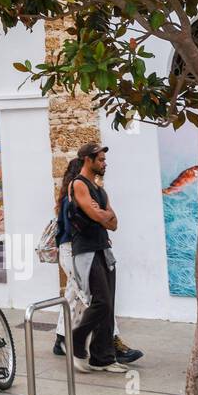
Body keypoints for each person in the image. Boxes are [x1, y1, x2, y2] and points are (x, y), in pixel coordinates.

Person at [52, 154, 142, 364]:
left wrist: (103, 216)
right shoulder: (73, 197)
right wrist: (101, 216)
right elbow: (100, 219)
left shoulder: (77, 195)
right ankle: (111, 341)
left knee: (75, 295)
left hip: (81, 250)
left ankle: (61, 338)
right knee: (95, 299)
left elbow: (109, 220)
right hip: (74, 250)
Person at [68, 143, 125, 374]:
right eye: (100, 159)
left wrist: (104, 216)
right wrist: (103, 215)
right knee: (100, 301)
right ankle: (76, 339)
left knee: (108, 304)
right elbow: (96, 214)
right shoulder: (79, 185)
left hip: (103, 248)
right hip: (86, 250)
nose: (104, 163)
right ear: (87, 160)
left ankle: (102, 357)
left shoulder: (100, 190)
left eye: (104, 159)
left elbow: (114, 222)